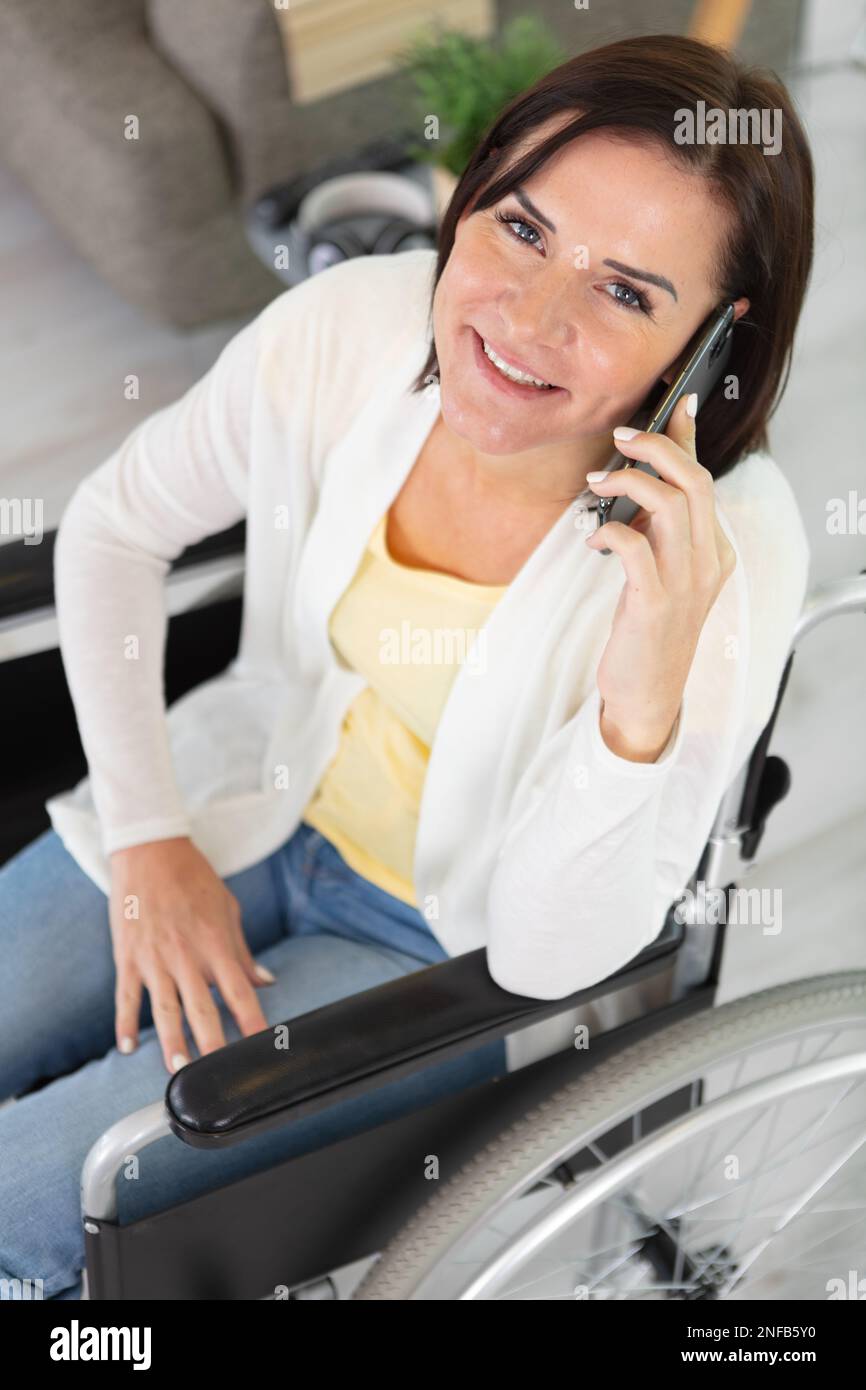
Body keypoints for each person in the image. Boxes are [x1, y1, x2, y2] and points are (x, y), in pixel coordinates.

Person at [0, 33, 813, 1300]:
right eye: (523, 229)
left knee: (21, 1201)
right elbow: (113, 525)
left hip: (437, 947)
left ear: (711, 344)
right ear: (469, 194)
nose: (526, 319)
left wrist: (640, 690)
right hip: (250, 792)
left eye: (625, 292)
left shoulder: (728, 556)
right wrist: (151, 842)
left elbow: (549, 960)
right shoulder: (353, 327)